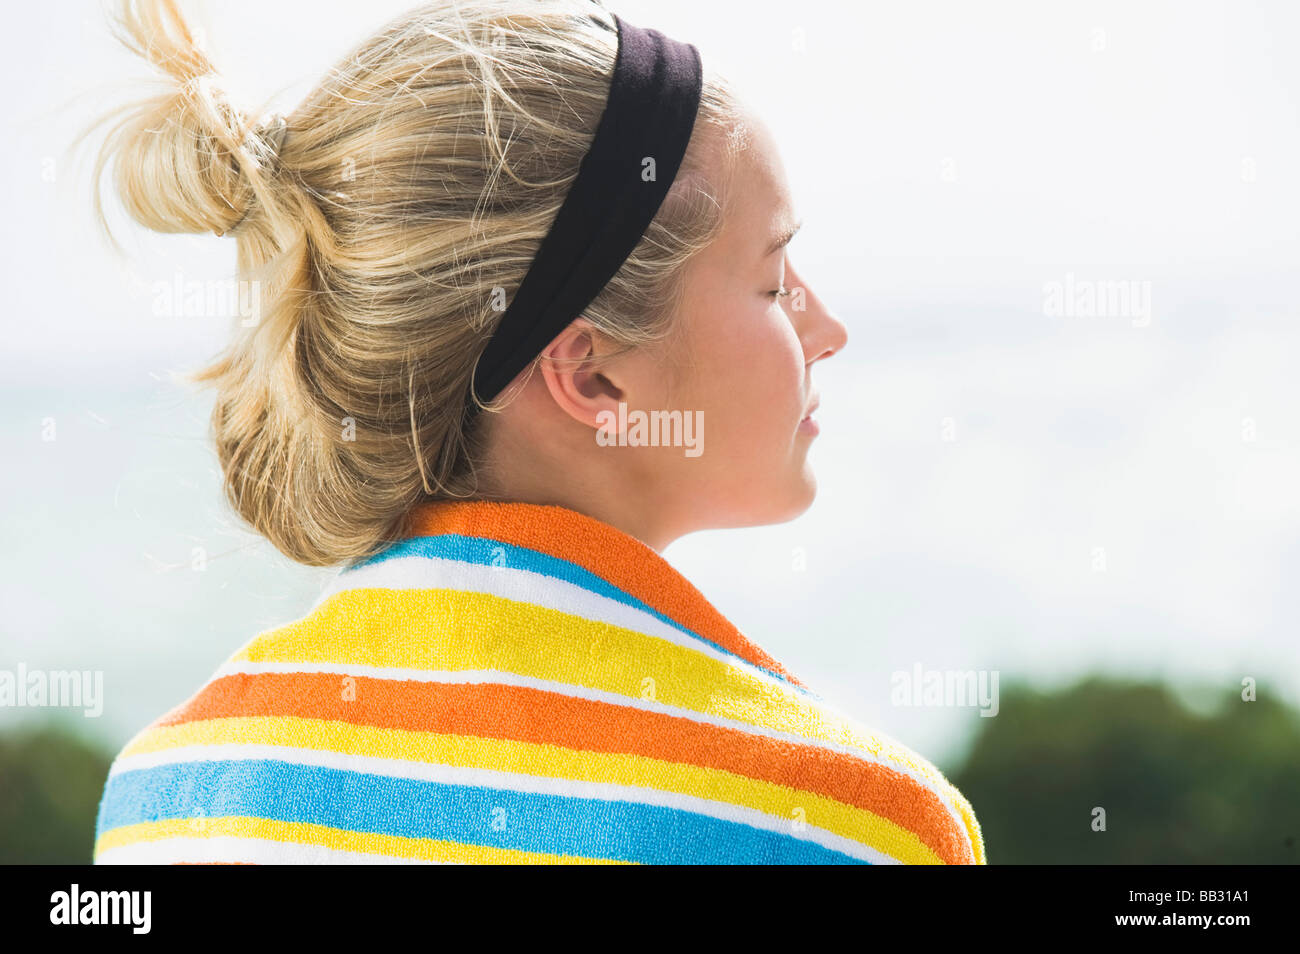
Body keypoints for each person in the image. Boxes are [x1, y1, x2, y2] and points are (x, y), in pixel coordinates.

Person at [91, 0, 985, 864]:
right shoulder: (851, 826)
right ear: (592, 372)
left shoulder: (161, 797)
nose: (826, 329)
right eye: (773, 280)